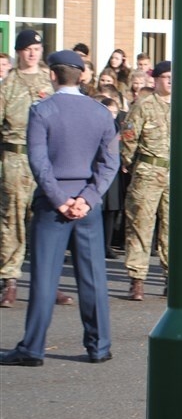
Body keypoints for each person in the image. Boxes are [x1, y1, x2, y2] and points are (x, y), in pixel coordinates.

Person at [0, 51, 119, 367]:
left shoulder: (42, 110)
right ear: (81, 76)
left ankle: (33, 347)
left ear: (52, 75)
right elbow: (109, 163)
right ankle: (99, 345)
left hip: (53, 204)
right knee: (93, 277)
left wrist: (60, 199)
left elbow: (38, 161)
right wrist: (88, 198)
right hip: (87, 204)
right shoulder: (100, 112)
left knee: (44, 277)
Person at [1, 29, 75, 308]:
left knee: (46, 222)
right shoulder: (7, 84)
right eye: (27, 48)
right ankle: (10, 281)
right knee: (12, 220)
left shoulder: (51, 80)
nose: (32, 53)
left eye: (37, 48)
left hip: (47, 160)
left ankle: (48, 282)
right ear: (18, 52)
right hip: (15, 159)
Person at [121, 60, 172, 301]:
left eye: (174, 77)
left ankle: (172, 277)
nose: (171, 81)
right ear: (156, 79)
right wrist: (129, 162)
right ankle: (137, 278)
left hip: (176, 174)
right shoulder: (143, 105)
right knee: (141, 224)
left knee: (172, 228)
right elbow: (129, 136)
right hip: (148, 170)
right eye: (166, 77)